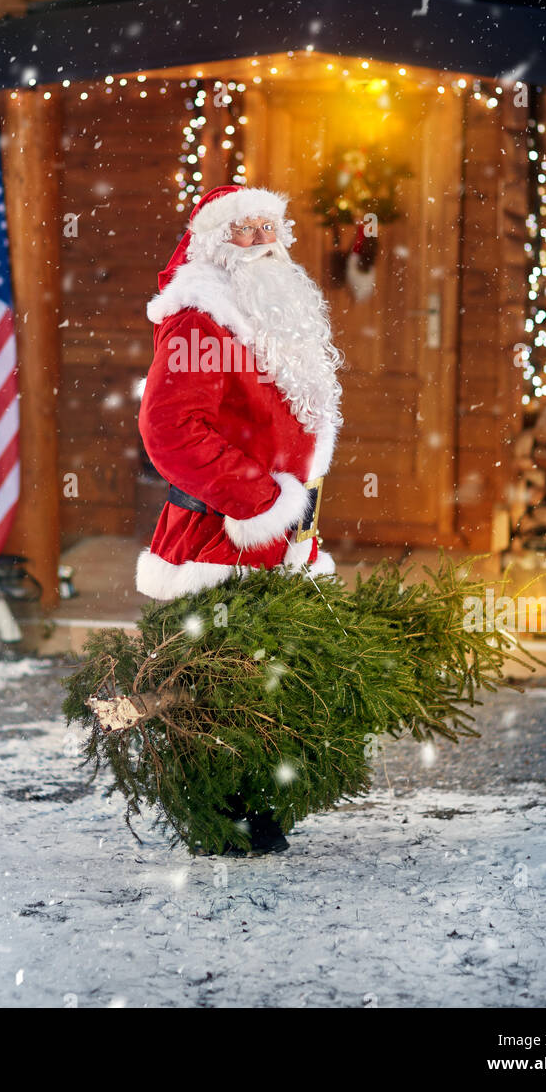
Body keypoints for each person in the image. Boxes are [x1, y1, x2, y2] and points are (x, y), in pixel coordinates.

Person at [136, 183, 344, 854]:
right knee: (219, 686)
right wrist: (262, 501)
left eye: (268, 228)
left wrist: (295, 512)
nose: (260, 242)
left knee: (269, 680)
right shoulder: (202, 317)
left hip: (282, 536)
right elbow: (169, 429)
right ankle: (217, 813)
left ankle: (256, 806)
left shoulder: (274, 311)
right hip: (220, 539)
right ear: (213, 242)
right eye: (243, 230)